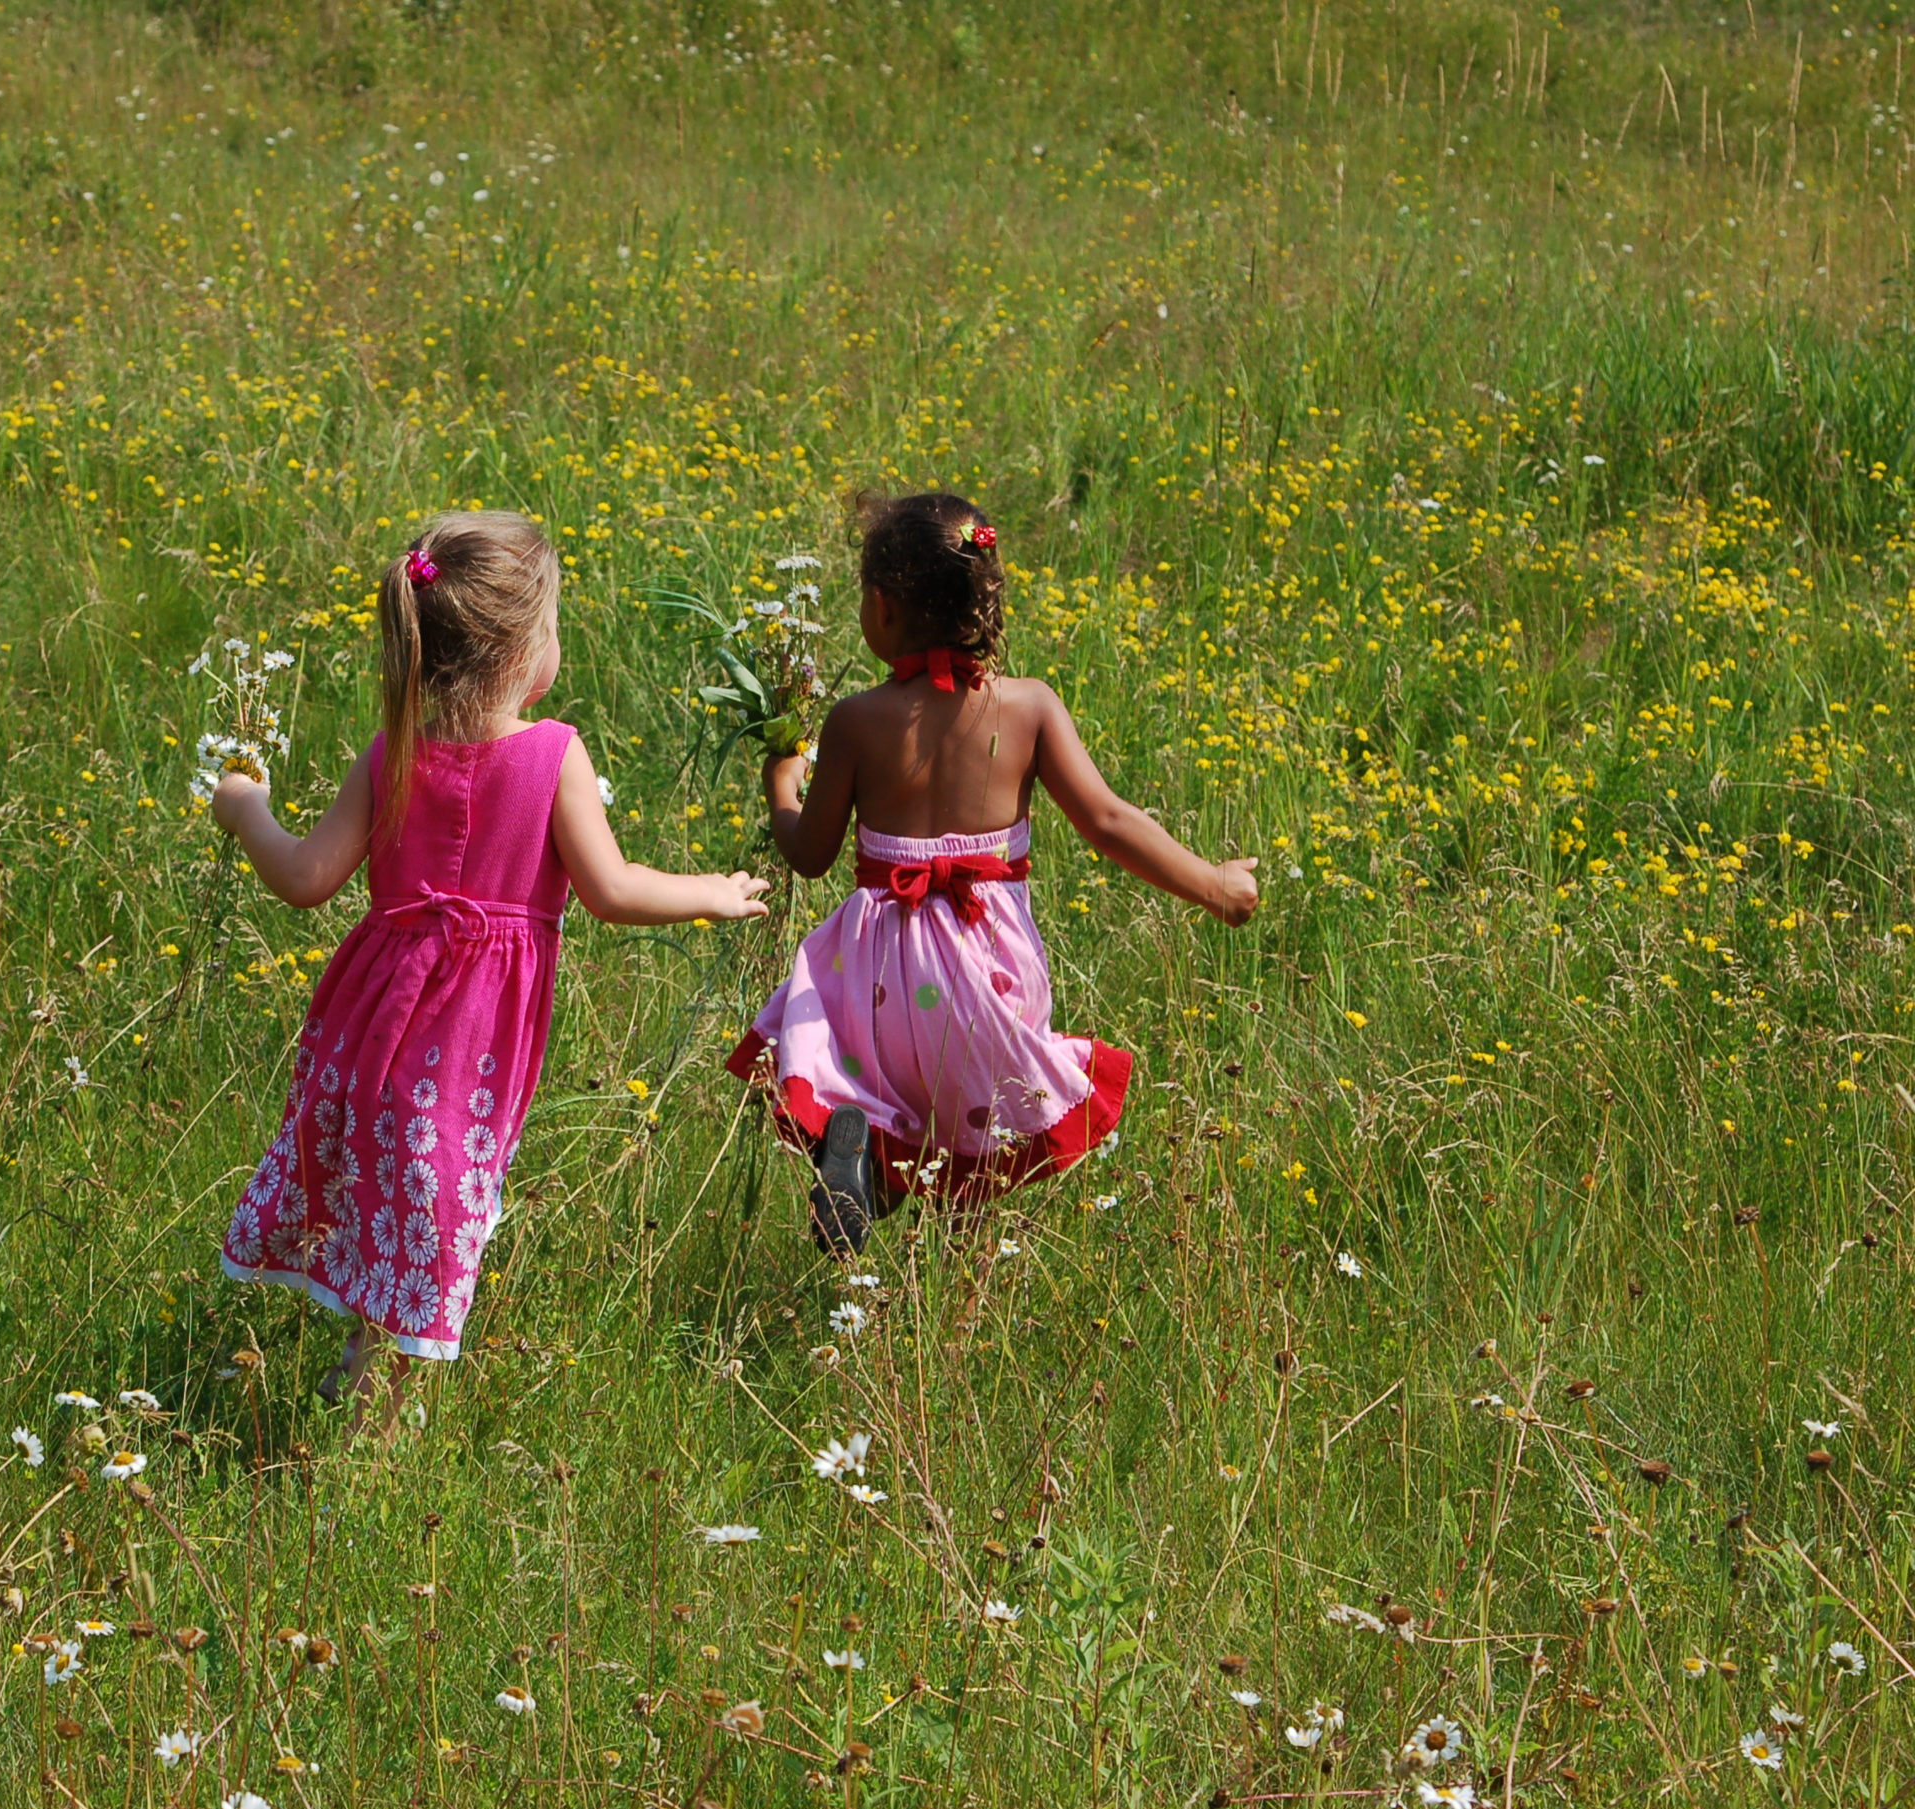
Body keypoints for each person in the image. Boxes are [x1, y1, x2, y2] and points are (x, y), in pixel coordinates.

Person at [212, 511, 768, 1429]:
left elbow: (306, 878)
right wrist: (709, 889)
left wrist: (247, 811)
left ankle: (365, 1363)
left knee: (383, 1182)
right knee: (432, 1196)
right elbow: (614, 889)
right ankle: (378, 1414)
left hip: (368, 1032)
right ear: (525, 655)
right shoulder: (555, 755)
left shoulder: (394, 752)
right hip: (463, 1052)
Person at [730, 492, 1259, 1252]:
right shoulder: (1032, 708)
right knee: (977, 1149)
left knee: (869, 1077)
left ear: (881, 608)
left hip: (879, 974)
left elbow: (808, 854)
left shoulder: (855, 721)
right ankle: (958, 1322)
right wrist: (1213, 883)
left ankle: (861, 1157)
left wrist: (782, 784)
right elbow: (1109, 822)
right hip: (984, 979)